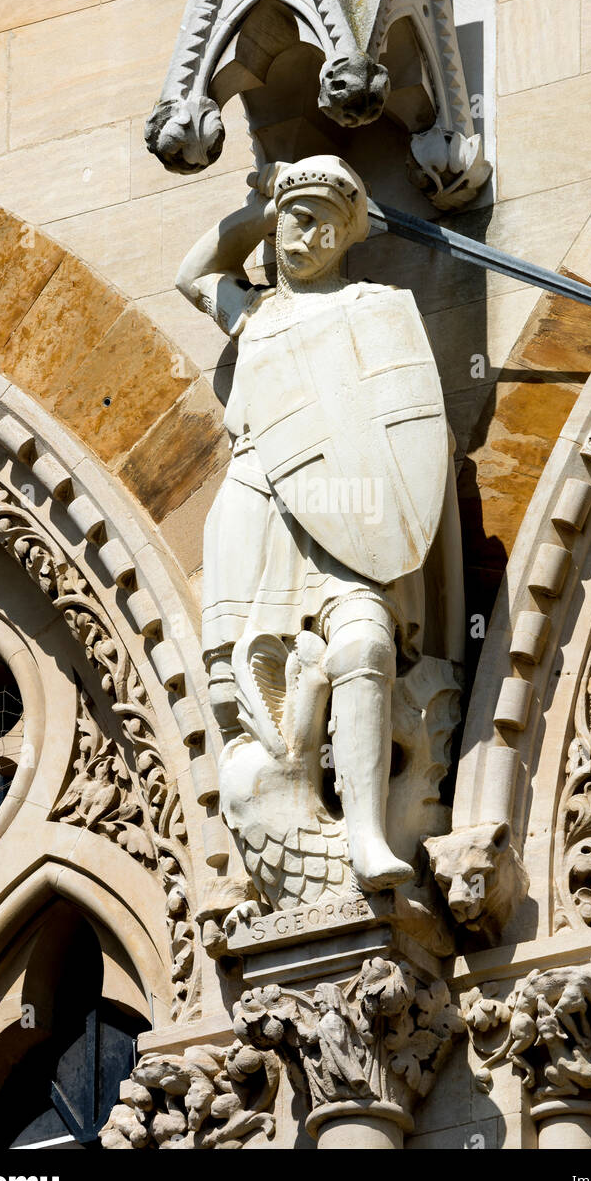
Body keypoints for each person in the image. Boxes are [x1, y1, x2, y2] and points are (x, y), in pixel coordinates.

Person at [176, 155, 456, 891]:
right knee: (255, 683)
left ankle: (364, 832)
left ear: (343, 238)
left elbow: (411, 427)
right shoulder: (257, 311)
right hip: (261, 503)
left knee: (365, 643)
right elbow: (193, 273)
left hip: (351, 503)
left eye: (318, 227)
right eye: (293, 225)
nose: (299, 240)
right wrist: (263, 209)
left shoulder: (377, 309)